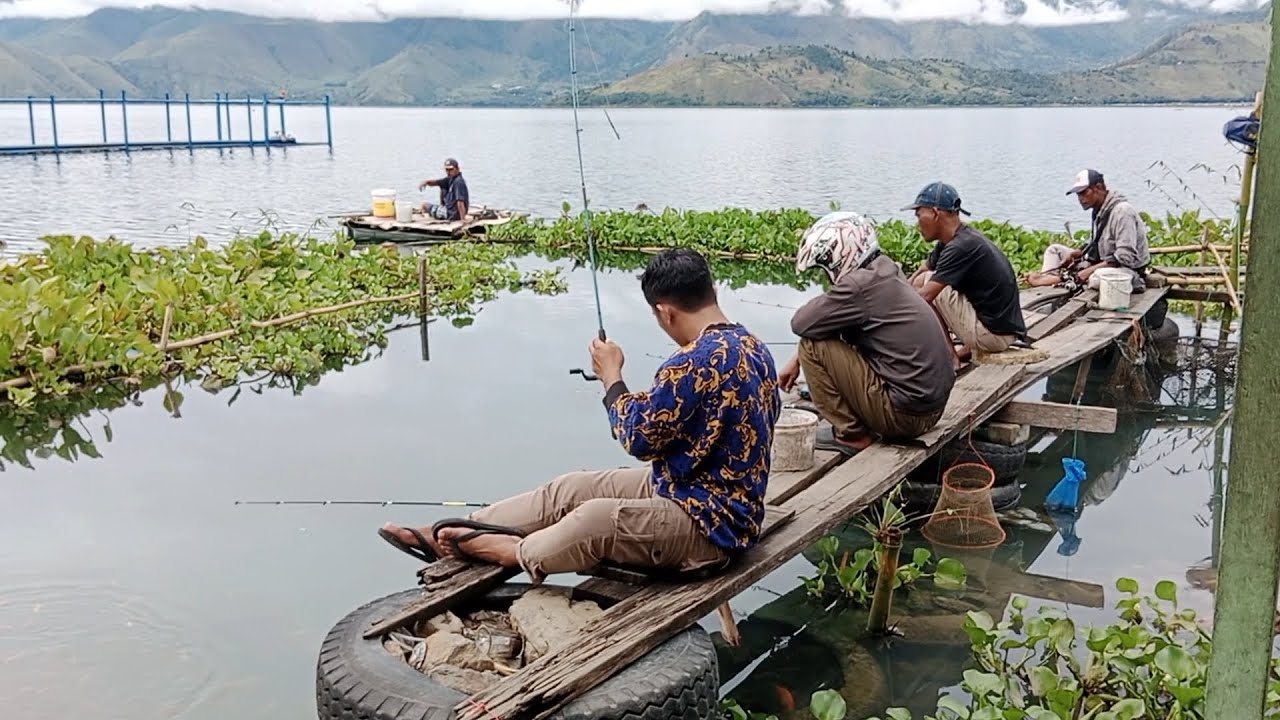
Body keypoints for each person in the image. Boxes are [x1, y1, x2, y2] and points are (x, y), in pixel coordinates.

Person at [378, 248, 781, 583]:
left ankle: (516, 552)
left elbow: (638, 439)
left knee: (595, 519)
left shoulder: (690, 362)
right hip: (689, 489)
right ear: (712, 291)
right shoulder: (754, 347)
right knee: (571, 489)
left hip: (712, 530)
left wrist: (612, 377)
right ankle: (460, 527)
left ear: (665, 312)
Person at [778, 212, 955, 456]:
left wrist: (801, 355)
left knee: (811, 345)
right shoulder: (886, 269)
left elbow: (801, 322)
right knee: (831, 334)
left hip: (904, 418)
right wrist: (795, 361)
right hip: (932, 410)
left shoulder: (859, 286)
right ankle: (860, 422)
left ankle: (852, 435)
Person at [904, 182, 1027, 369]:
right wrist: (902, 288)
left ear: (935, 213)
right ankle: (965, 349)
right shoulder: (955, 239)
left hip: (994, 336)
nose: (917, 222)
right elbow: (921, 270)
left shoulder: (961, 247)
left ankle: (950, 357)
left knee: (925, 284)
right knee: (924, 279)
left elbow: (924, 296)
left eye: (919, 214)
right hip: (1002, 329)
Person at [1024, 170, 1151, 293]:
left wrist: (1086, 272)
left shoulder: (1122, 212)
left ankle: (1053, 280)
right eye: (1078, 195)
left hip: (1127, 270)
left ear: (1098, 188)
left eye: (1084, 193)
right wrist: (1078, 253)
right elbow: (1096, 242)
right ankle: (1048, 283)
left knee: (1096, 278)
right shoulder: (1098, 210)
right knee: (1054, 250)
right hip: (1103, 263)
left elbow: (1125, 257)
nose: (1080, 198)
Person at [418, 157, 470, 222]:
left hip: (452, 214)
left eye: (451, 169)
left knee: (424, 205)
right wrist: (426, 182)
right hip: (451, 211)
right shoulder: (450, 179)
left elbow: (460, 201)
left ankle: (436, 210)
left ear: (457, 169)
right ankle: (441, 207)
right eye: (447, 170)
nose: (448, 172)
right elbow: (436, 182)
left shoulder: (458, 182)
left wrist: (463, 219)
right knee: (442, 186)